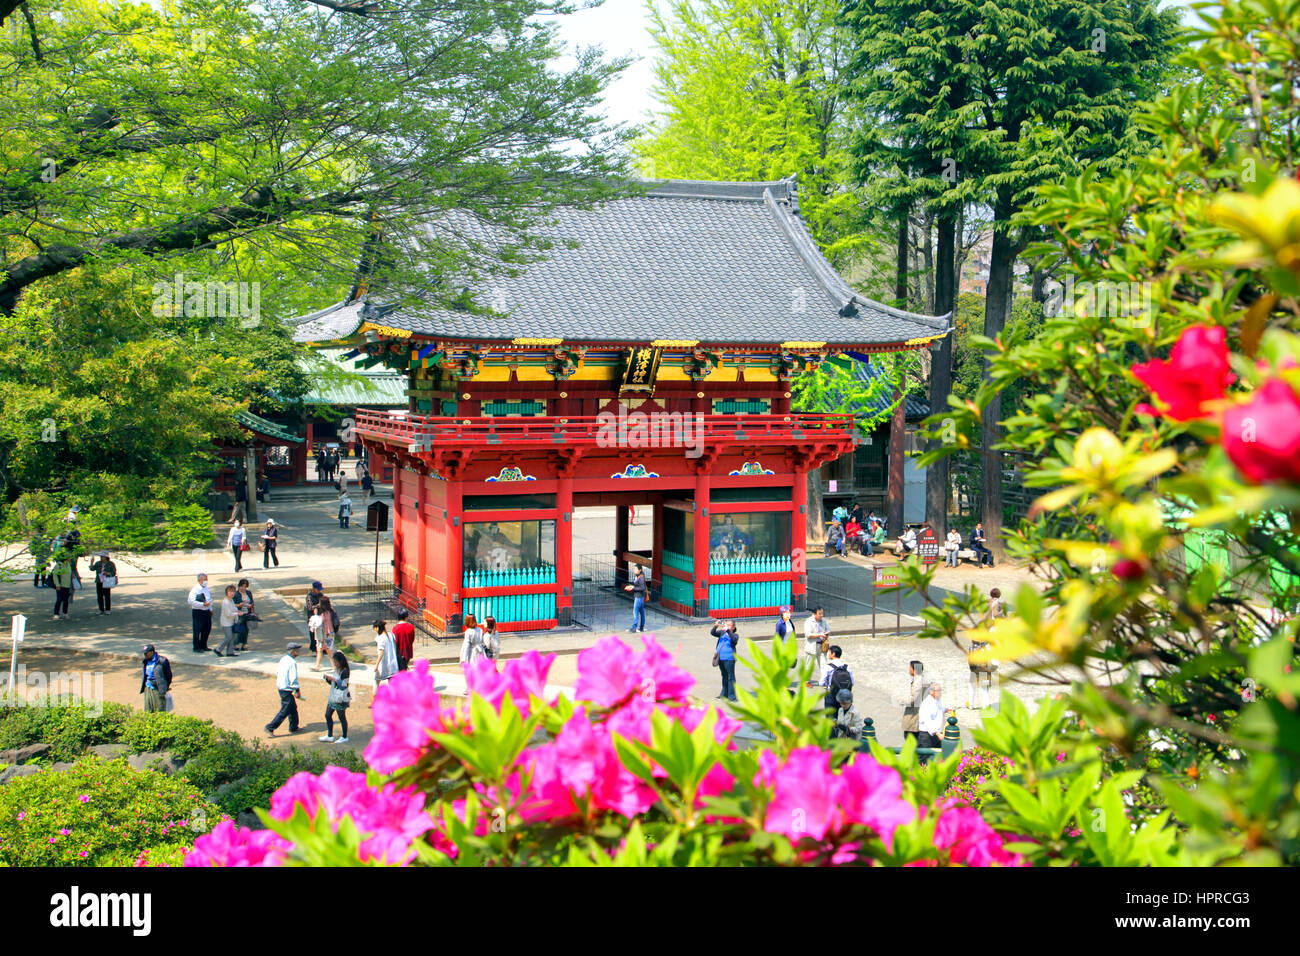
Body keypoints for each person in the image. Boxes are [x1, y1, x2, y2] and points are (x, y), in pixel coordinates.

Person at [969, 588, 1003, 708]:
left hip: (974, 658)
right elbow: (998, 616)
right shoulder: (997, 604)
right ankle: (985, 705)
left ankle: (971, 704)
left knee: (973, 681)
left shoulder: (987, 602)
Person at [266, 643, 304, 736]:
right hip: (286, 688)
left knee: (292, 708)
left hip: (281, 686)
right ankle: (270, 727)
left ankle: (294, 726)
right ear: (293, 651)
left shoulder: (283, 659)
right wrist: (297, 690)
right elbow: (293, 678)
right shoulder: (292, 662)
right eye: (297, 650)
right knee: (286, 709)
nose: (298, 652)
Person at [321, 651, 351, 744]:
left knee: (341, 717)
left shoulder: (345, 671)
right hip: (334, 695)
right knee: (327, 715)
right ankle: (330, 735)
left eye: (335, 662)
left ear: (340, 661)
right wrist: (328, 679)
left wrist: (334, 679)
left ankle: (344, 736)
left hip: (341, 697)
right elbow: (334, 683)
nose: (334, 663)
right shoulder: (336, 670)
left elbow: (343, 685)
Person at [711, 619, 739, 702]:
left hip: (729, 658)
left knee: (731, 677)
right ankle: (724, 694)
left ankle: (732, 696)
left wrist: (728, 631)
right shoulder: (721, 633)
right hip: (721, 658)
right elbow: (713, 633)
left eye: (729, 625)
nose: (726, 626)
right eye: (726, 624)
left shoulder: (734, 635)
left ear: (733, 627)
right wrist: (715, 626)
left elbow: (734, 640)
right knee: (724, 676)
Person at [897, 660, 926, 741]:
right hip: (916, 714)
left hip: (914, 715)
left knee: (910, 739)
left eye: (910, 667)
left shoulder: (918, 681)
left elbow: (912, 699)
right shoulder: (920, 679)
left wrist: (900, 700)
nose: (909, 669)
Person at [820, 644, 854, 714]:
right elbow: (852, 682)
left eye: (829, 652)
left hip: (831, 695)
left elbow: (821, 682)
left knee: (830, 718)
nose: (828, 654)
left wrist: (826, 685)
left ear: (833, 654)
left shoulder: (828, 667)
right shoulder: (846, 667)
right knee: (842, 717)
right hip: (843, 695)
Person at [140, 644, 172, 714]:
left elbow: (168, 676)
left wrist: (164, 687)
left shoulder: (162, 661)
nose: (145, 655)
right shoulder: (145, 661)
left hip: (158, 689)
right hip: (148, 688)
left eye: (146, 653)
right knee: (148, 710)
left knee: (160, 710)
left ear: (152, 652)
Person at [802, 606, 830, 687]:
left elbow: (828, 629)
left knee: (823, 664)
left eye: (822, 613)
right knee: (809, 665)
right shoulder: (808, 622)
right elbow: (808, 634)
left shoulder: (824, 621)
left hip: (821, 645)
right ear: (814, 614)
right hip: (811, 646)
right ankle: (806, 681)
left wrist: (826, 634)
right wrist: (819, 635)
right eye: (819, 614)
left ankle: (824, 681)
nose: (821, 615)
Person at [918, 681, 948, 748]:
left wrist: (946, 710)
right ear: (932, 692)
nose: (940, 693)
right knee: (926, 756)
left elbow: (939, 710)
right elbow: (927, 721)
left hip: (937, 733)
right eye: (938, 691)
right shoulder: (927, 703)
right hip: (926, 735)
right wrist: (937, 734)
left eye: (941, 690)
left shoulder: (938, 700)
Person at [188, 573, 213, 652]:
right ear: (199, 580)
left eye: (206, 579)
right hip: (198, 612)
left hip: (207, 611)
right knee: (197, 630)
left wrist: (210, 609)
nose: (205, 581)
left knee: (206, 629)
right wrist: (202, 604)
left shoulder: (207, 588)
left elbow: (209, 599)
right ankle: (196, 647)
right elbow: (190, 601)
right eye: (204, 579)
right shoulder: (195, 589)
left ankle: (204, 645)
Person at [215, 584, 242, 657]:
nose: (232, 593)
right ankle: (218, 649)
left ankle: (230, 652)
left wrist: (237, 612)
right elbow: (228, 614)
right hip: (226, 622)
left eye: (233, 591)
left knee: (232, 637)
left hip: (231, 622)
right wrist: (237, 613)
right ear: (227, 592)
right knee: (229, 636)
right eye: (230, 591)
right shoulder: (225, 602)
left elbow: (234, 609)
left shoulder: (231, 600)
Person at [89, 550, 117, 615]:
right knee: (99, 596)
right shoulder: (98, 563)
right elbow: (92, 569)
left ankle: (108, 609)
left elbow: (114, 572)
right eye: (101, 556)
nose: (102, 558)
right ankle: (101, 609)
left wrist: (108, 573)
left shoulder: (111, 564)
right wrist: (91, 562)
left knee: (107, 595)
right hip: (99, 581)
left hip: (106, 581)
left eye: (103, 556)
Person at [49, 548, 74, 620]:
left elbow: (69, 573)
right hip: (61, 585)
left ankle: (65, 612)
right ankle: (56, 613)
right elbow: (55, 575)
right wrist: (57, 585)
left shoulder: (68, 564)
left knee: (66, 600)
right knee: (59, 599)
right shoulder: (59, 565)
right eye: (68, 557)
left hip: (67, 585)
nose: (70, 558)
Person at [313, 596, 337, 671]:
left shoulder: (319, 612)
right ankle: (332, 666)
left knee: (322, 649)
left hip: (322, 633)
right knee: (327, 650)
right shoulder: (332, 611)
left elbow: (317, 620)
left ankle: (319, 666)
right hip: (329, 632)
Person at [623, 563, 647, 633]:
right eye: (634, 569)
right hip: (640, 596)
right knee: (641, 612)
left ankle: (634, 628)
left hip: (639, 597)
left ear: (640, 570)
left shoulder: (641, 577)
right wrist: (631, 586)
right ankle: (641, 627)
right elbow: (637, 585)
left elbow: (642, 588)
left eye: (635, 569)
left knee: (635, 612)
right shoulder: (639, 576)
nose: (634, 570)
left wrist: (633, 587)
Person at [373, 619, 399, 684]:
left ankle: (376, 694)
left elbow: (381, 652)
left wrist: (376, 665)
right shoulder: (391, 635)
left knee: (376, 682)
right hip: (393, 665)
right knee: (392, 684)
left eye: (375, 628)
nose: (374, 630)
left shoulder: (381, 638)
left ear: (377, 628)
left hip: (384, 664)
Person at [234, 579, 256, 651]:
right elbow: (233, 604)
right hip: (239, 613)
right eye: (242, 586)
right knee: (239, 629)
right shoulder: (236, 594)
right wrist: (240, 605)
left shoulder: (248, 593)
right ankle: (236, 644)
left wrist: (251, 607)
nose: (243, 588)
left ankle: (244, 644)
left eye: (245, 587)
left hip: (247, 613)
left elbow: (252, 602)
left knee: (246, 629)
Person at [305, 581, 325, 653]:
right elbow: (310, 607)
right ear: (314, 588)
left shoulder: (320, 595)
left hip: (320, 617)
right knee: (313, 634)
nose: (319, 591)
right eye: (318, 589)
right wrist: (318, 605)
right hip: (312, 618)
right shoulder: (309, 596)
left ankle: (323, 648)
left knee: (322, 633)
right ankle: (314, 649)